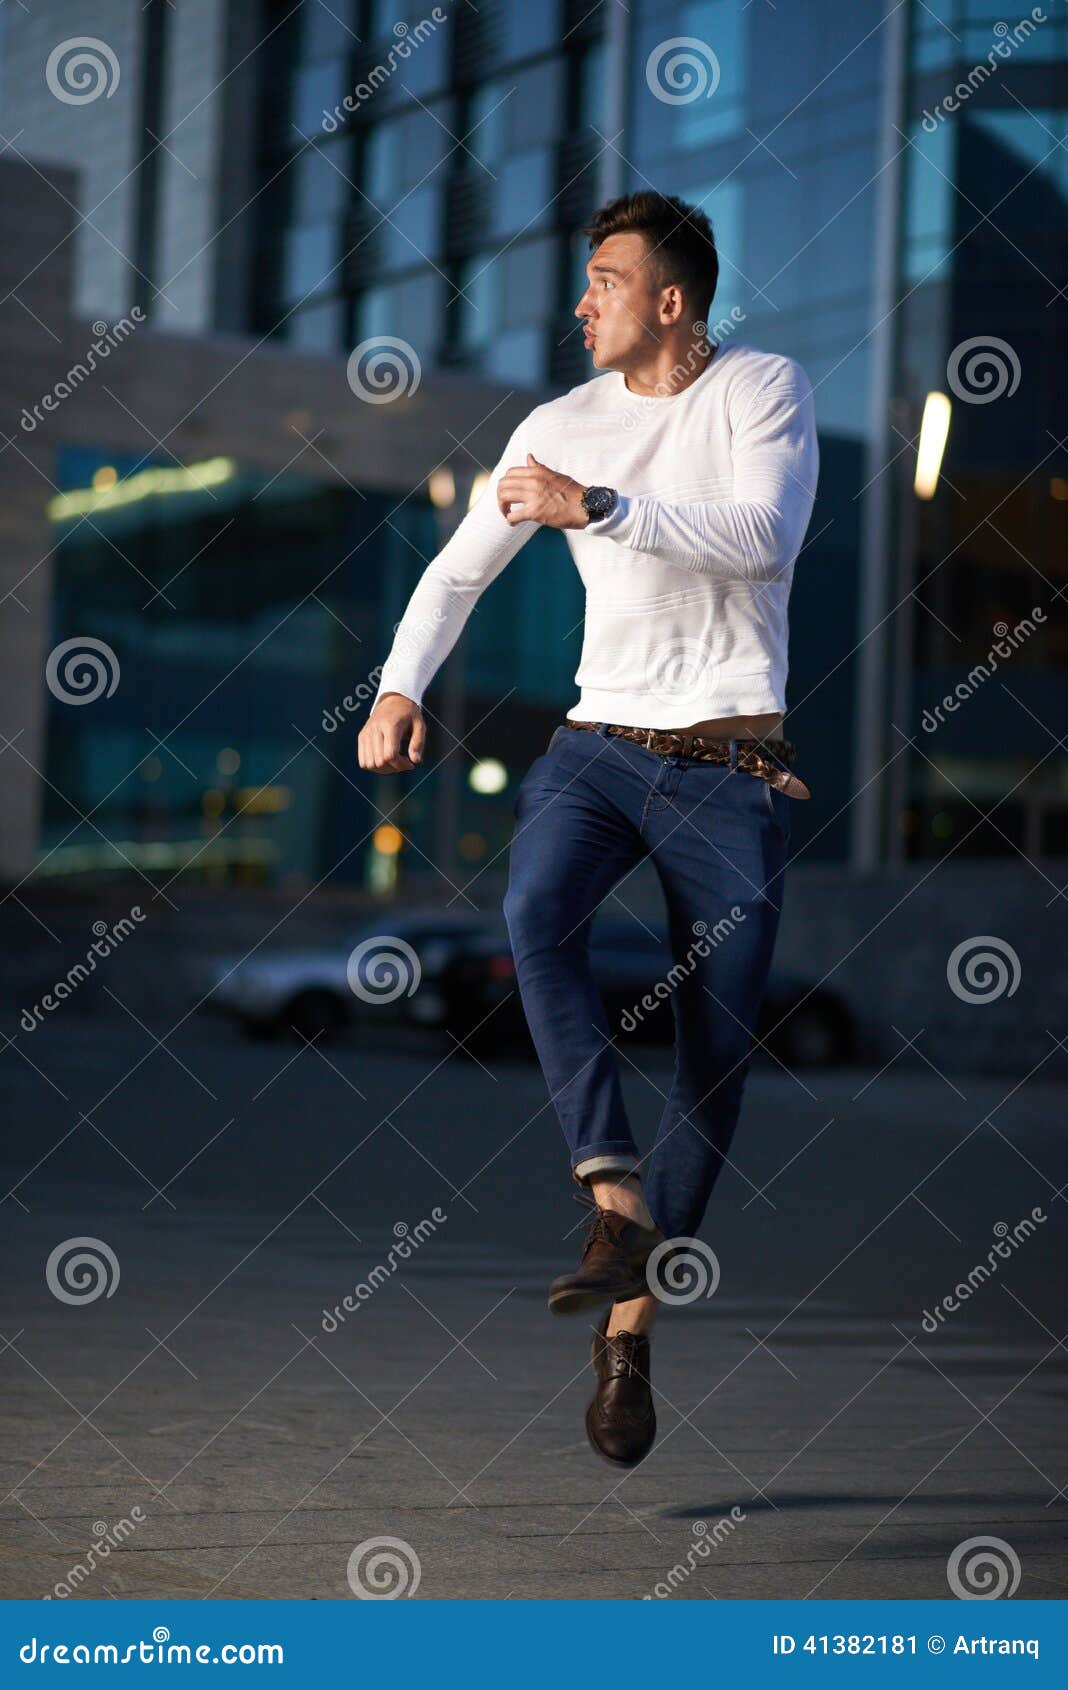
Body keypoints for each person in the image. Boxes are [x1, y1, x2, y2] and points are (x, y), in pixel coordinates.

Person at [358, 190, 819, 1468]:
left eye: (605, 280)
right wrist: (400, 683)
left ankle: (629, 1324)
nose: (581, 302)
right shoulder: (557, 424)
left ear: (672, 301)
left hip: (729, 767)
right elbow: (459, 568)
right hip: (596, 750)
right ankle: (610, 1193)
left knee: (716, 1059)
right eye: (583, 282)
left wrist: (602, 508)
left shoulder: (759, 390)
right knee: (532, 916)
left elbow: (764, 538)